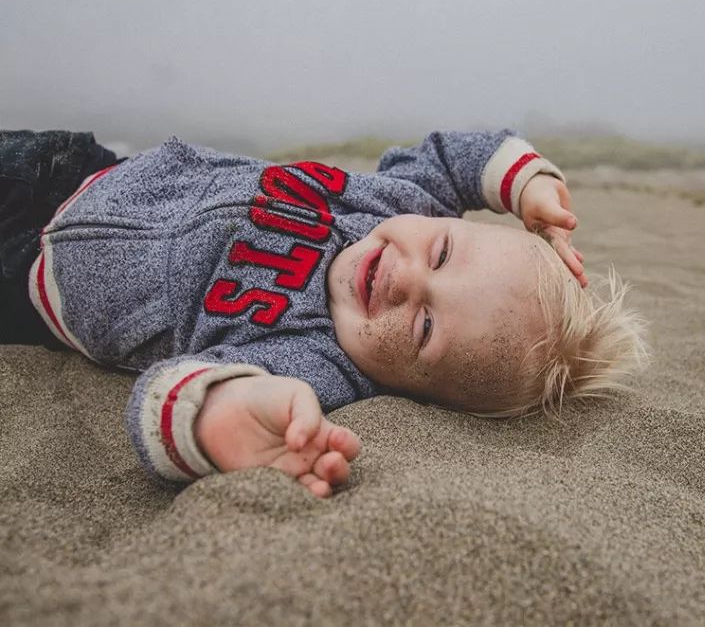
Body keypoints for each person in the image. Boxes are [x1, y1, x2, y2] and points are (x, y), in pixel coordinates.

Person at [0, 129, 648, 498]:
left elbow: (167, 390)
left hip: (27, 278)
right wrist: (528, 182)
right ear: (445, 220)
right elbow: (456, 156)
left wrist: (221, 412)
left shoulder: (317, 360)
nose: (407, 277)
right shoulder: (398, 200)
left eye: (425, 326)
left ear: (413, 392)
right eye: (443, 251)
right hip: (79, 167)